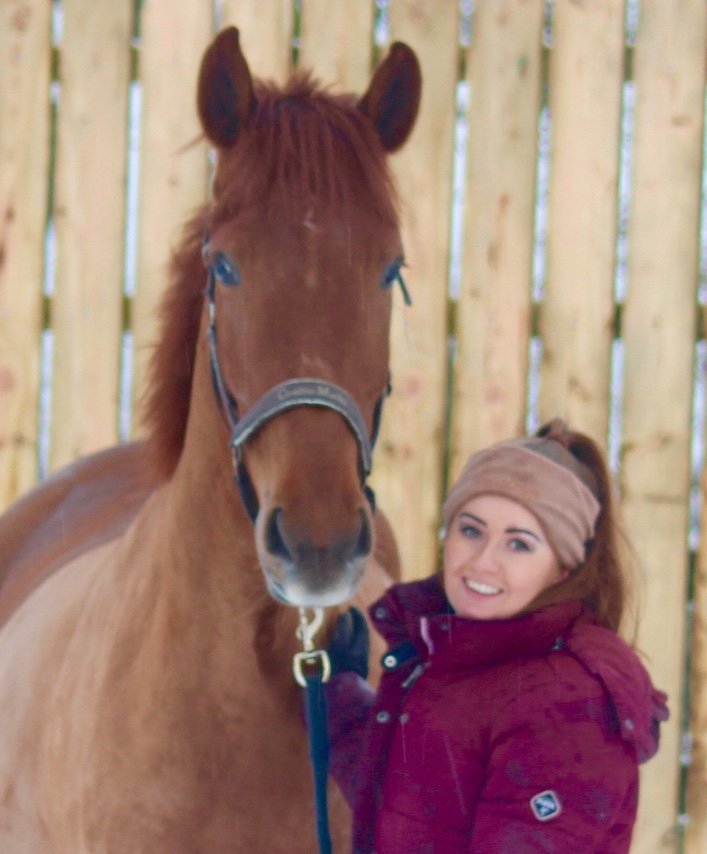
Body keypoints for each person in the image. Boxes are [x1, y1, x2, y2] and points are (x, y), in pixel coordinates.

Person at [325, 418, 669, 853]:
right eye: (471, 530)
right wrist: (338, 698)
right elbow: (410, 812)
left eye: (519, 544)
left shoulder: (565, 706)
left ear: (564, 568)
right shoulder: (457, 662)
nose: (483, 562)